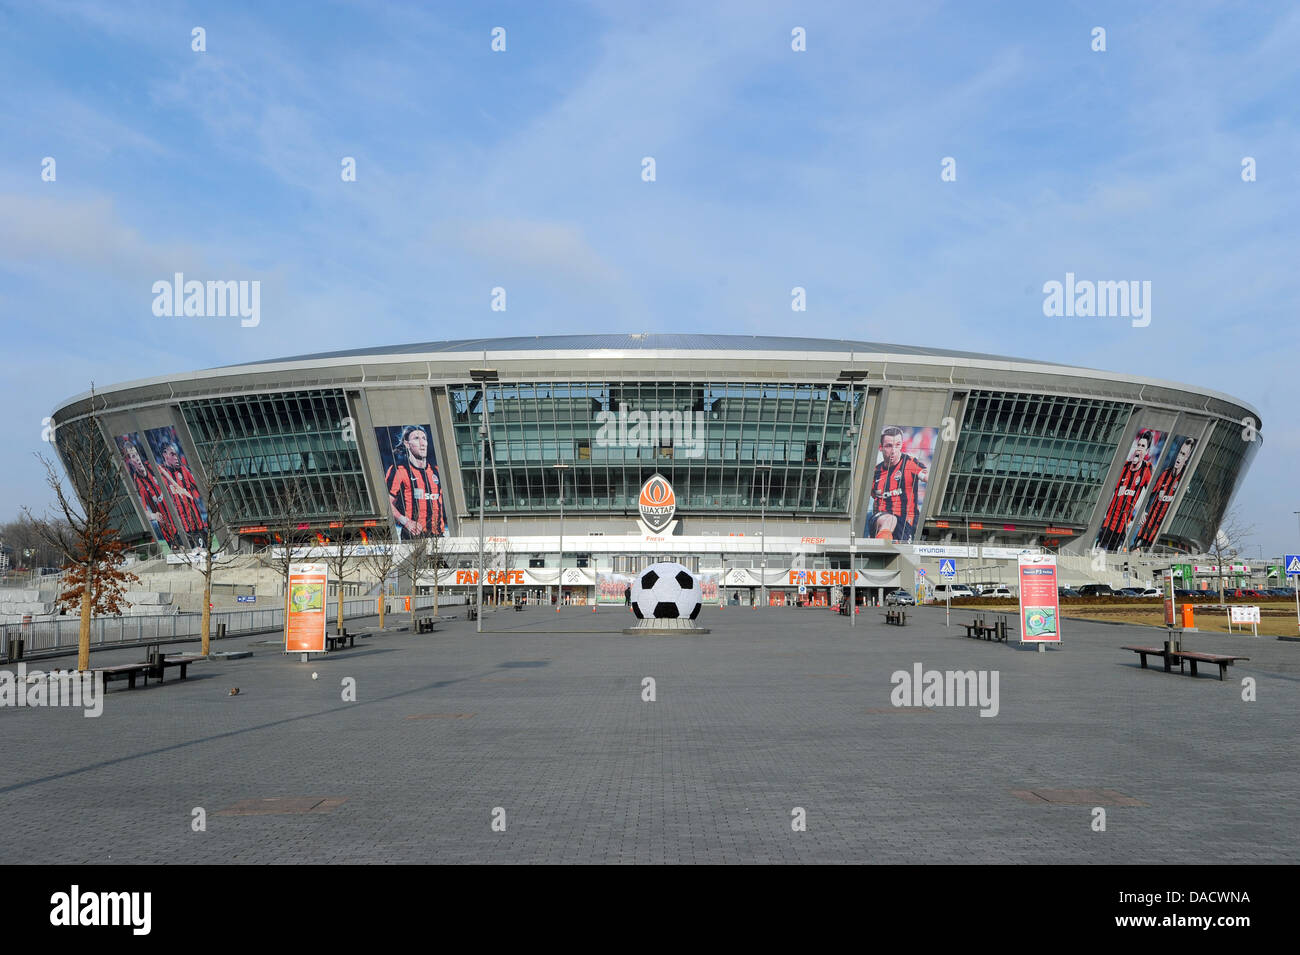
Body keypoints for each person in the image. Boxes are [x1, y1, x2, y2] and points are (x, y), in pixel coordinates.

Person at [1096, 430, 1155, 551]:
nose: (1139, 448)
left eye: (1142, 446)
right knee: (1099, 549)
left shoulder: (1147, 470)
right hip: (1109, 520)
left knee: (1113, 552)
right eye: (1138, 445)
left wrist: (1145, 510)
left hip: (1123, 524)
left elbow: (1152, 492)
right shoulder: (1124, 467)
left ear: (1147, 452)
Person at [1132, 437, 1196, 549]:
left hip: (1161, 536)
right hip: (1145, 531)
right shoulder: (1165, 474)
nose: (1179, 458)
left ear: (1187, 458)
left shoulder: (1184, 481)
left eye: (1184, 455)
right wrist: (1142, 510)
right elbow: (1148, 492)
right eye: (1180, 453)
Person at [867, 427, 928, 542]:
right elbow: (869, 495)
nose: (893, 451)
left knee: (902, 550)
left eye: (897, 445)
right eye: (889, 446)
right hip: (882, 517)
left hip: (907, 521)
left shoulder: (910, 463)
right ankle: (879, 546)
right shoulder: (875, 472)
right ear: (881, 448)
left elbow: (929, 478)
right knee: (889, 520)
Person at [385, 425, 445, 540]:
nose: (422, 443)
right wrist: (406, 521)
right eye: (416, 438)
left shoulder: (436, 471)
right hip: (413, 536)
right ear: (407, 444)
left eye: (424, 438)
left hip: (438, 537)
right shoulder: (400, 470)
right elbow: (386, 503)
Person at [120, 438, 182, 549]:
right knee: (180, 554)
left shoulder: (152, 466)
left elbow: (169, 477)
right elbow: (143, 512)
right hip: (167, 527)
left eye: (136, 454)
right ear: (130, 461)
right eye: (133, 457)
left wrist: (177, 487)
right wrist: (154, 516)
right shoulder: (138, 483)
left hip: (178, 516)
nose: (137, 459)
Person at [158, 441, 208, 549]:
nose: (176, 457)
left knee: (206, 557)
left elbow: (202, 488)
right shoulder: (160, 476)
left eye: (176, 454)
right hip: (180, 533)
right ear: (164, 455)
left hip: (197, 528)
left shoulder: (184, 471)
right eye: (172, 454)